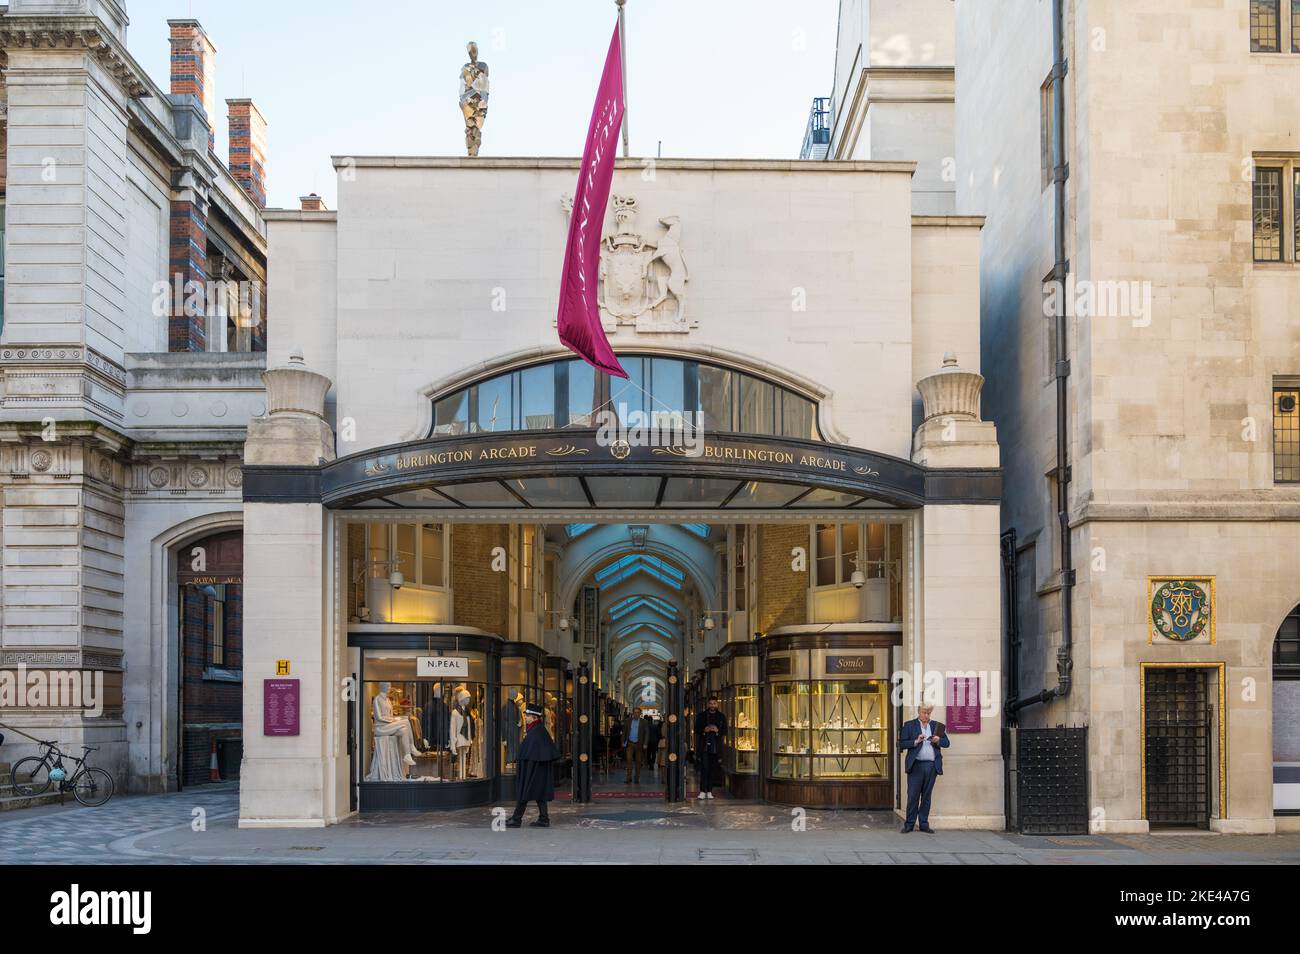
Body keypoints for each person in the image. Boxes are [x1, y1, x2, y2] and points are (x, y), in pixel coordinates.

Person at [898, 704, 950, 833]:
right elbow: (901, 743)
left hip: (932, 766)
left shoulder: (937, 726)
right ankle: (909, 824)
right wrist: (916, 741)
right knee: (913, 796)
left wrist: (938, 740)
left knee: (926, 796)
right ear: (918, 712)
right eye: (924, 712)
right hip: (916, 765)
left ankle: (924, 824)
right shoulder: (909, 725)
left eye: (928, 713)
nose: (926, 715)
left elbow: (947, 743)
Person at [506, 703, 560, 828]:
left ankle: (516, 819)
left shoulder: (536, 732)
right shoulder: (537, 730)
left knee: (525, 792)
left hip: (533, 769)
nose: (526, 718)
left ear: (535, 718)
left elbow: (532, 752)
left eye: (528, 716)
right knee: (539, 793)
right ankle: (543, 818)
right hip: (536, 769)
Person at [694, 695, 727, 799]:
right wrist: (704, 730)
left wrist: (718, 731)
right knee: (704, 768)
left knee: (712, 769)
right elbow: (696, 729)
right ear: (708, 704)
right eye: (711, 703)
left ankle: (709, 790)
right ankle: (703, 791)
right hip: (704, 746)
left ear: (717, 704)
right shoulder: (702, 716)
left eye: (714, 703)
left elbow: (725, 731)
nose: (712, 705)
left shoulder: (721, 716)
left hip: (715, 747)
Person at [624, 706, 645, 782]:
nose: (636, 714)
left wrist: (645, 743)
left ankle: (637, 777)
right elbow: (624, 732)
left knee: (638, 761)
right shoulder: (628, 721)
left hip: (639, 744)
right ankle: (628, 777)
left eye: (638, 712)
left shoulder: (644, 722)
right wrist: (623, 742)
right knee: (629, 760)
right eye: (635, 712)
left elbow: (646, 733)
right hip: (630, 743)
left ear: (640, 714)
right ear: (633, 713)